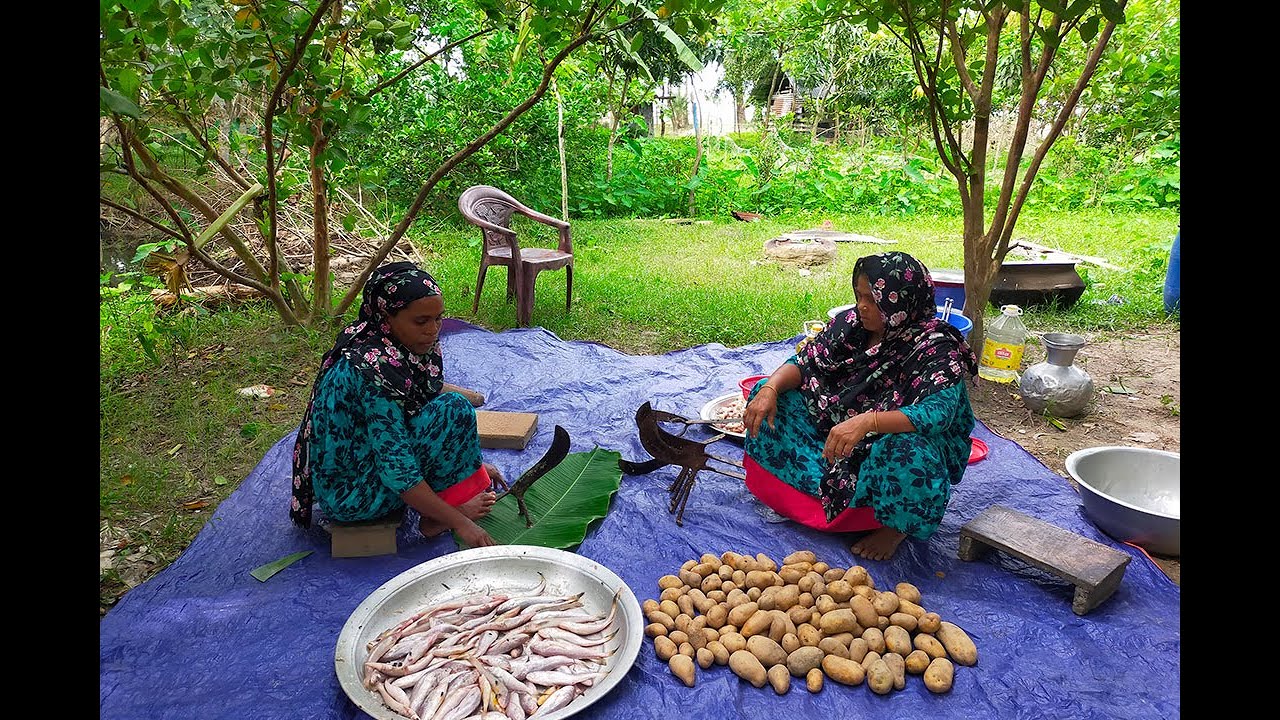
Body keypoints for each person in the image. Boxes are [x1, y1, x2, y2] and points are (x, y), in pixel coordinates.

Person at [742, 251, 978, 561]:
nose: (862, 306)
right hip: (842, 430)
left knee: (908, 449)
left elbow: (938, 414)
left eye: (873, 299)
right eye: (859, 295)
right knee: (772, 395)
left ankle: (895, 527)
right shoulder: (851, 325)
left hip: (898, 439)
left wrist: (869, 422)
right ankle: (802, 495)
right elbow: (805, 362)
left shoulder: (935, 348)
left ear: (900, 301)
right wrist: (770, 387)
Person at [289, 261, 500, 548]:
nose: (433, 330)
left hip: (370, 456)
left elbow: (418, 409)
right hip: (352, 495)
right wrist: (460, 522)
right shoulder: (371, 370)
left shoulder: (395, 345)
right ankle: (434, 519)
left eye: (438, 319)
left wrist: (472, 464)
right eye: (421, 321)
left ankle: (443, 504)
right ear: (387, 317)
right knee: (451, 409)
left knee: (454, 407)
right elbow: (397, 470)